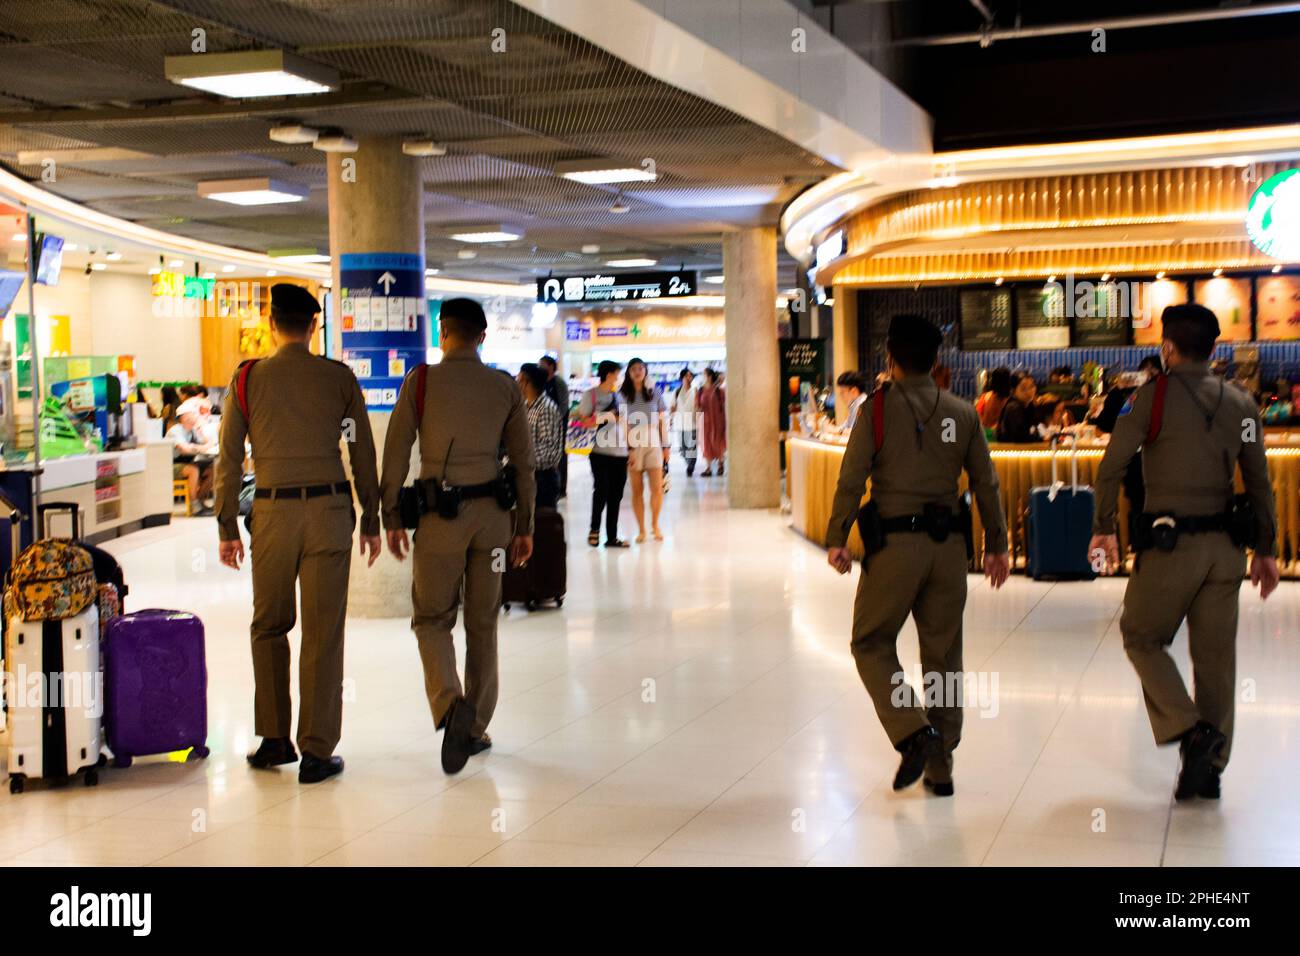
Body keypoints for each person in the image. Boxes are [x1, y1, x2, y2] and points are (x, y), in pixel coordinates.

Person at [1089, 304, 1279, 802]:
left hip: (1172, 547)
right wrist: (1267, 550)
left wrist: (1104, 528)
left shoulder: (1149, 399)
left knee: (1141, 636)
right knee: (1215, 661)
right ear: (1215, 350)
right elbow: (1260, 482)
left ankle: (1192, 731)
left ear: (1168, 348)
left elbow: (1111, 466)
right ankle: (1208, 771)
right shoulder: (1242, 404)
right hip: (1226, 551)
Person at [826, 314, 1010, 798]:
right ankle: (941, 768)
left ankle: (912, 731)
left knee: (870, 641)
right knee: (944, 657)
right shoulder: (963, 412)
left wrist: (838, 536)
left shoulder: (877, 412)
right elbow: (986, 483)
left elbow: (851, 478)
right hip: (949, 549)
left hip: (894, 548)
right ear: (936, 360)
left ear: (890, 358)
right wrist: (997, 545)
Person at [215, 284, 382, 784]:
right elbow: (360, 449)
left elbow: (227, 459)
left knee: (268, 625)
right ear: (313, 327)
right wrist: (370, 515)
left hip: (270, 516)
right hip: (330, 512)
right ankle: (316, 751)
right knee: (322, 632)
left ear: (271, 324)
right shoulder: (338, 380)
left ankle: (272, 739)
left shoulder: (247, 381)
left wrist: (226, 525)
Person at [380, 297, 535, 775]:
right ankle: (476, 726)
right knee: (483, 623)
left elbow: (396, 449)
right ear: (483, 337)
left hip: (439, 522)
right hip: (492, 525)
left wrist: (389, 514)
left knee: (431, 618)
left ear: (442, 332)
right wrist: (524, 526)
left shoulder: (421, 381)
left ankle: (450, 704)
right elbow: (524, 464)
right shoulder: (505, 387)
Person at [578, 360, 630, 547]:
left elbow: (625, 425)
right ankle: (594, 529)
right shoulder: (590, 395)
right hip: (599, 452)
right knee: (601, 490)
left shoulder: (620, 397)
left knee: (616, 495)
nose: (619, 377)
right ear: (609, 374)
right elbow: (584, 421)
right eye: (618, 373)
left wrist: (630, 449)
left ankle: (612, 536)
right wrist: (607, 416)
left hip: (621, 453)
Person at [620, 357, 670, 543]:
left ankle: (655, 525)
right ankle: (641, 529)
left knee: (657, 488)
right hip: (633, 441)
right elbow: (623, 423)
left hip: (653, 440)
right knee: (636, 489)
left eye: (641, 368)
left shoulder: (654, 392)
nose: (638, 371)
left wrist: (666, 445)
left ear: (646, 370)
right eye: (634, 368)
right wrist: (629, 448)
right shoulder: (623, 394)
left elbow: (663, 421)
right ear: (629, 373)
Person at [517, 362, 564, 508]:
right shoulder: (528, 406)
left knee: (543, 526)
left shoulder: (545, 408)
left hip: (542, 479)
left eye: (518, 379)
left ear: (525, 381)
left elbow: (548, 451)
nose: (516, 382)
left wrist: (519, 459)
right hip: (531, 476)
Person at [539, 354, 569, 497]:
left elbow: (564, 406)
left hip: (558, 426)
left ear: (551, 366)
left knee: (560, 455)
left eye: (542, 364)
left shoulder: (559, 383)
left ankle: (561, 488)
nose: (540, 367)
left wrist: (556, 422)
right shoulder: (541, 382)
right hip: (544, 425)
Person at [697, 367, 727, 476]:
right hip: (705, 422)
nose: (702, 376)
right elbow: (698, 406)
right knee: (707, 443)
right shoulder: (700, 390)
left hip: (718, 421)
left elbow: (724, 406)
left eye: (704, 374)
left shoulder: (719, 390)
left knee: (718, 442)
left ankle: (720, 465)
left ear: (709, 376)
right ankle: (708, 468)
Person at [997, 373, 1041, 443]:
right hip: (1011, 451)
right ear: (1013, 391)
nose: (1029, 391)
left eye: (1032, 386)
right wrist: (1039, 437)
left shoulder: (1029, 405)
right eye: (1023, 388)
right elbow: (1020, 437)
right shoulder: (1013, 407)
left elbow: (1036, 427)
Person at [672, 368, 699, 477]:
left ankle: (690, 467)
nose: (689, 378)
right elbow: (672, 407)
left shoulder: (695, 390)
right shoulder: (677, 391)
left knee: (692, 448)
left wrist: (698, 413)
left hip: (692, 424)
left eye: (690, 376)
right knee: (683, 449)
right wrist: (671, 416)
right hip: (680, 424)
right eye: (686, 376)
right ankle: (689, 463)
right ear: (682, 378)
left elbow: (699, 405)